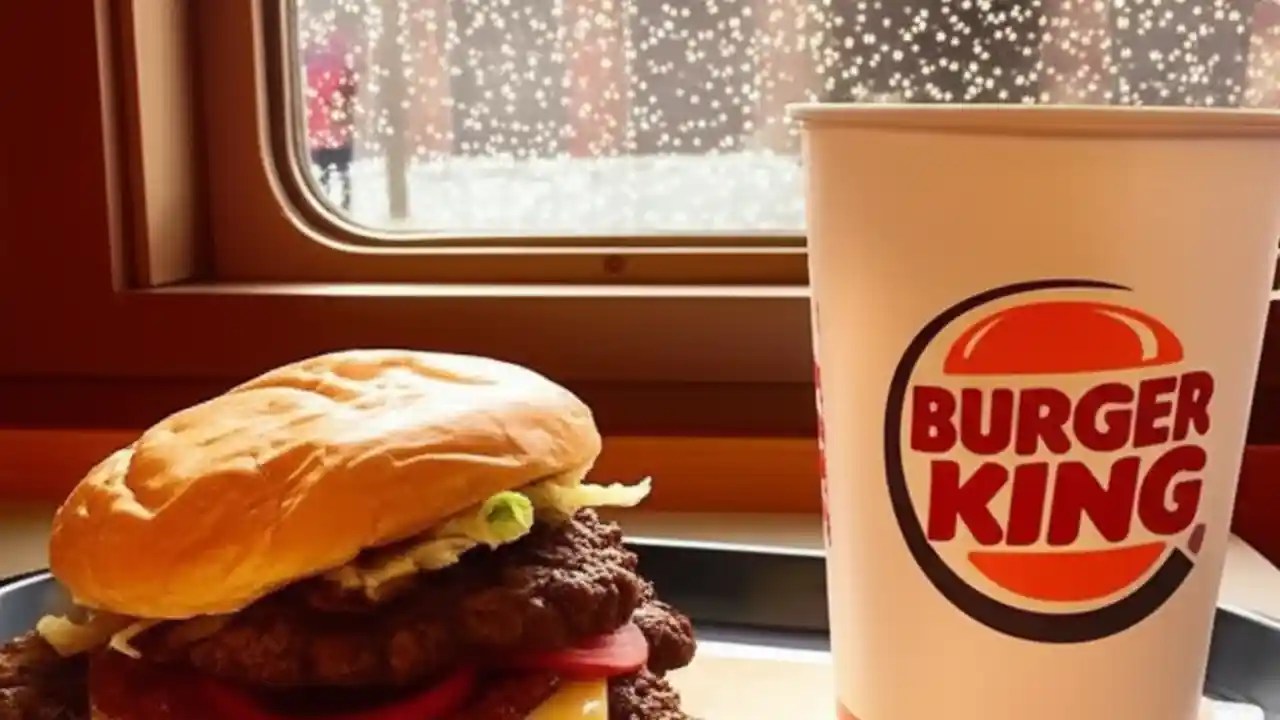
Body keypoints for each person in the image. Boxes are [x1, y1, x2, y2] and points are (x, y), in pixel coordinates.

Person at [305, 33, 356, 211]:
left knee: (324, 170)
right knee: (342, 169)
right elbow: (349, 94)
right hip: (336, 127)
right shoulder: (342, 68)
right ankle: (344, 202)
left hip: (319, 130)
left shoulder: (312, 68)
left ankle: (323, 202)